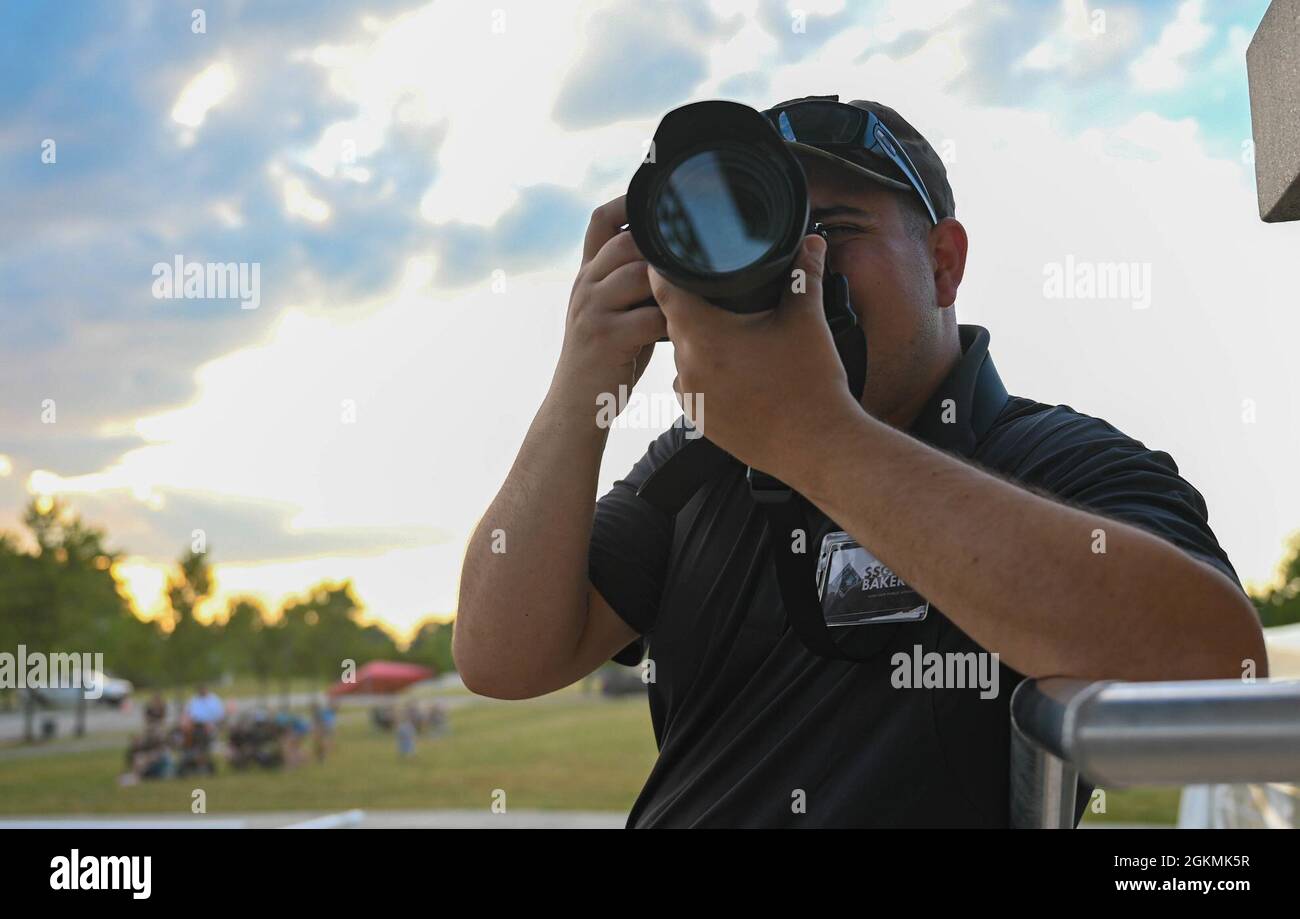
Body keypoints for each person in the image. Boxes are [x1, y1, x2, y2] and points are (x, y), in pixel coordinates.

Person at [453, 93, 1270, 829]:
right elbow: (502, 656)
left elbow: (1217, 675)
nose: (799, 272)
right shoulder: (698, 466)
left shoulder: (1052, 461)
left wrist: (815, 438)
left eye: (836, 233)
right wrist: (582, 382)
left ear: (945, 263)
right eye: (760, 238)